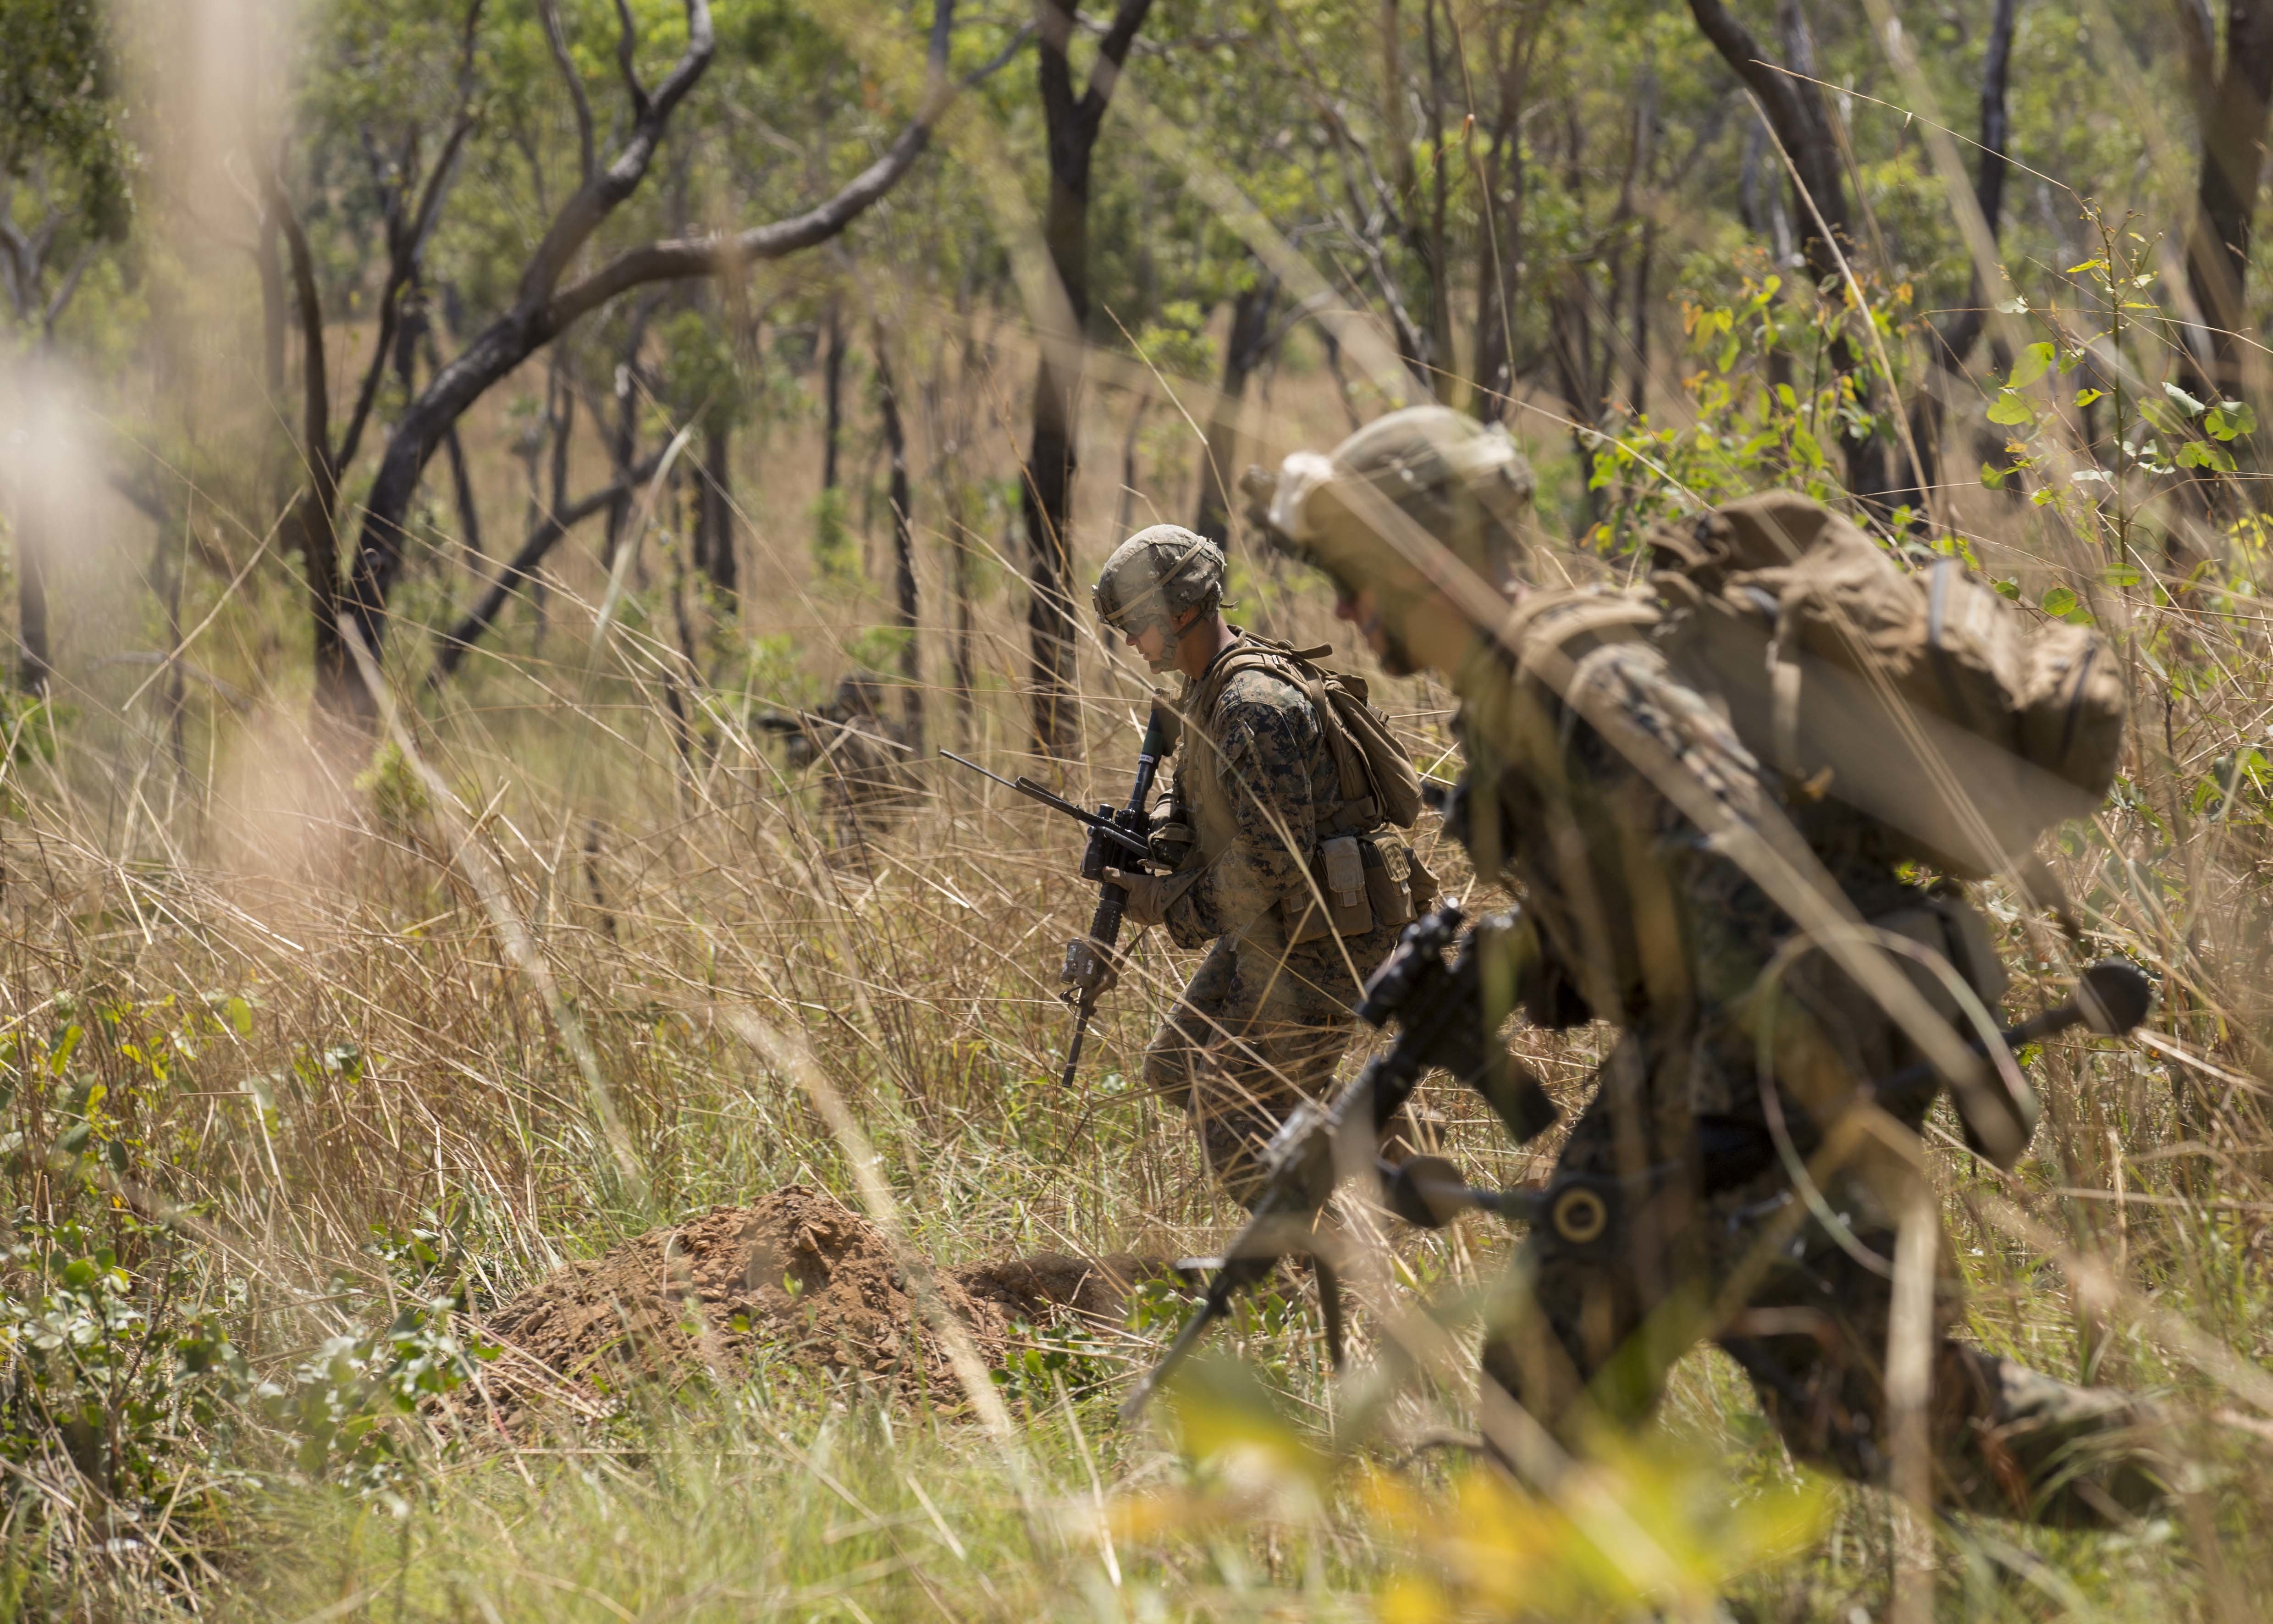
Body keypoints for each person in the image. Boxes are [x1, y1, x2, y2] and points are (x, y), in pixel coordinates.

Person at [1243, 406, 2173, 1528]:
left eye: (1353, 577)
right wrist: (1518, 960)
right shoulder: (1516, 689)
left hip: (1773, 1067)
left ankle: (2213, 1485)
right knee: (1546, 1373)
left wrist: (1730, 1146)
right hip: (1698, 1063)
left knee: (1879, 1411)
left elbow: (1749, 875)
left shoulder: (1578, 682)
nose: (1345, 609)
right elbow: (1650, 899)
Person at [1087, 525, 1433, 1207]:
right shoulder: (1209, 686)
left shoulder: (1251, 704)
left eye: (1134, 623)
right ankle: (1388, 1140)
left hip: (1331, 930)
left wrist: (1168, 903)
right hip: (1290, 918)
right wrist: (1160, 834)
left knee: (1232, 1115)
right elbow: (1220, 808)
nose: (1128, 641)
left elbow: (1272, 859)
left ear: (1181, 611)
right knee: (1177, 1066)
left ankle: (1321, 1255)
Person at [771, 673, 915, 851]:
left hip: (854, 821)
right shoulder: (892, 731)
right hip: (871, 823)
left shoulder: (845, 734)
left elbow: (799, 760)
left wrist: (799, 738)